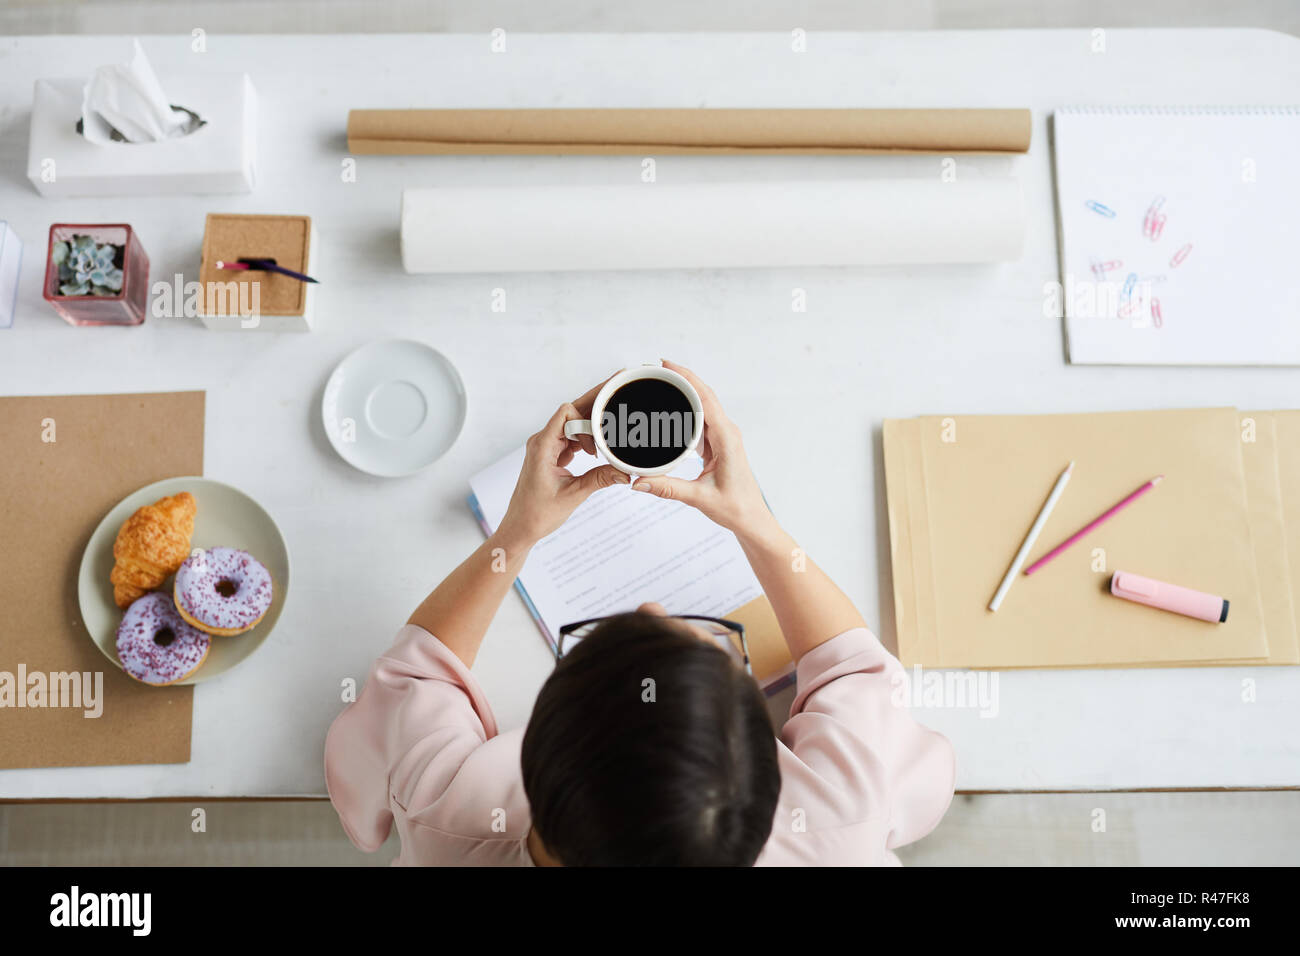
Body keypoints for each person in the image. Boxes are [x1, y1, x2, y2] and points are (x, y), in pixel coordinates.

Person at [324, 361, 954, 866]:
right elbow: (855, 673)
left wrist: (516, 533)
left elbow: (414, 678)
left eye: (608, 637)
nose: (653, 608)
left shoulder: (451, 818)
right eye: (707, 646)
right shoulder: (843, 815)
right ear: (770, 784)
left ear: (526, 761)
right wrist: (754, 520)